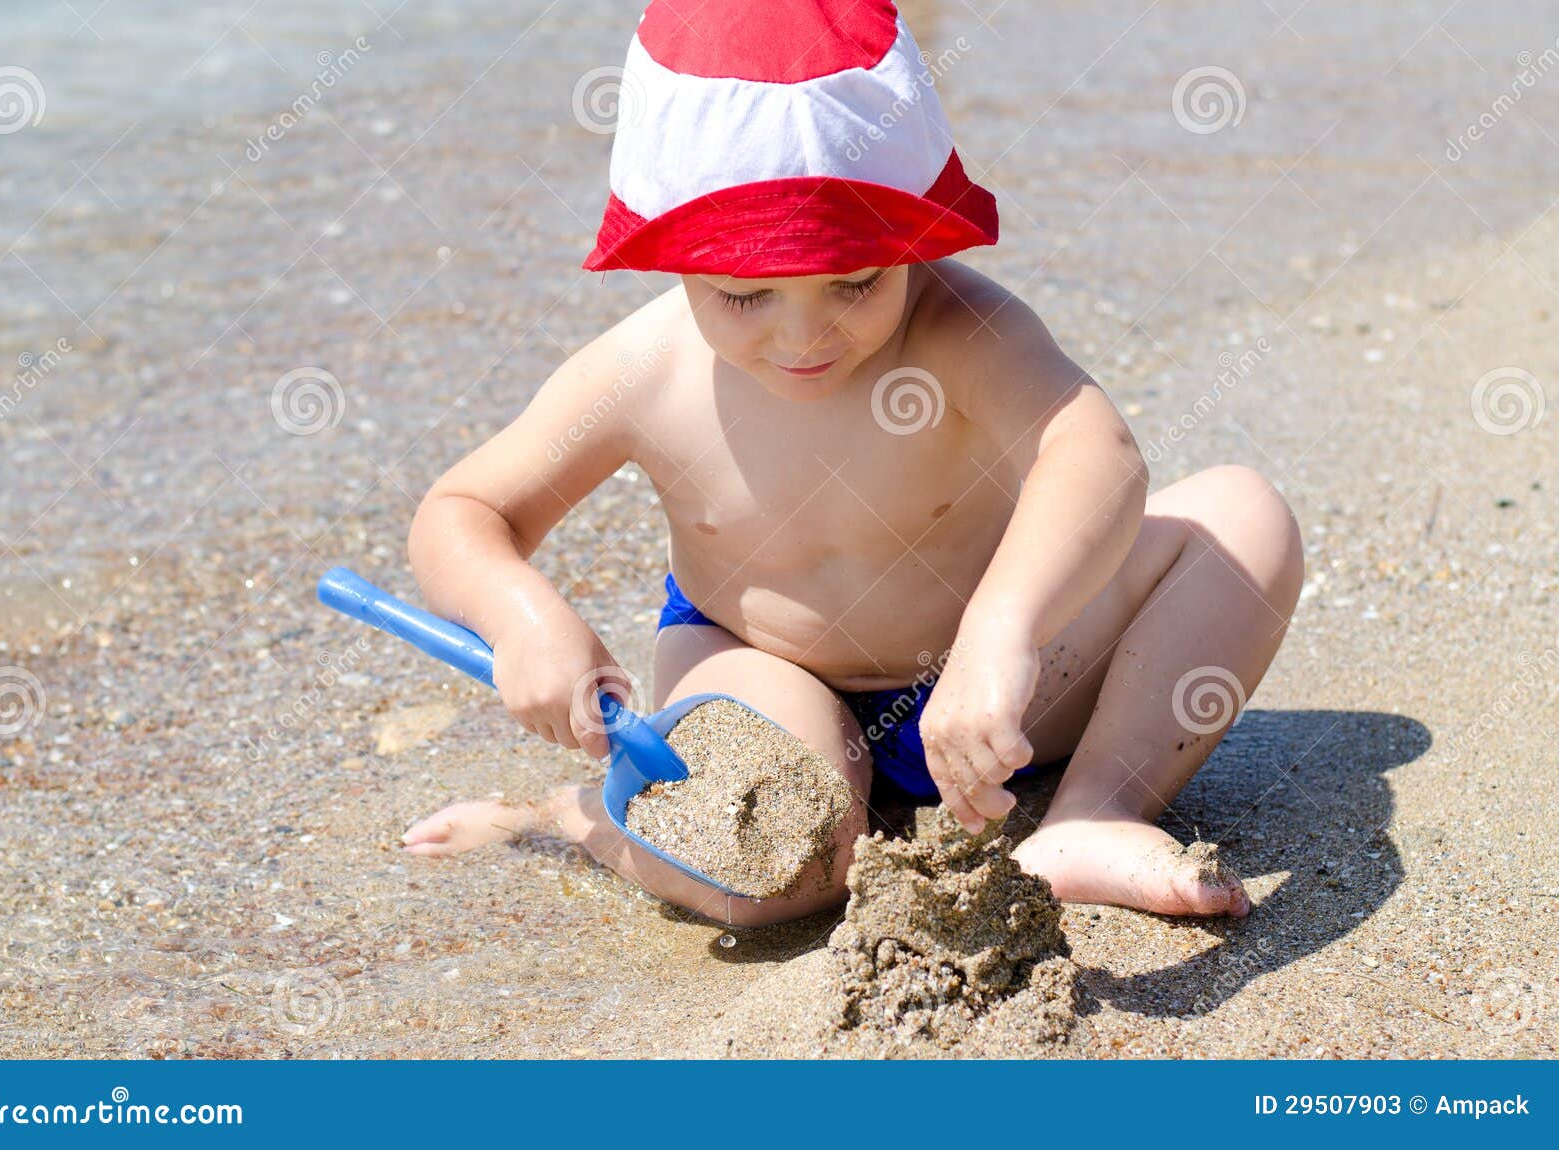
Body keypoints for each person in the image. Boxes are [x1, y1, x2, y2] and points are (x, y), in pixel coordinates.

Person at [399, 0, 1303, 926]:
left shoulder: (957, 329)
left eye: (857, 280)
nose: (805, 334)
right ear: (670, 257)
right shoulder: (642, 369)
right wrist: (521, 617)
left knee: (1244, 518)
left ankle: (1093, 813)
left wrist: (1005, 628)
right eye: (746, 295)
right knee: (770, 868)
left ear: (914, 240)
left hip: (992, 693)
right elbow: (464, 510)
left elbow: (1097, 455)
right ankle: (581, 816)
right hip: (766, 669)